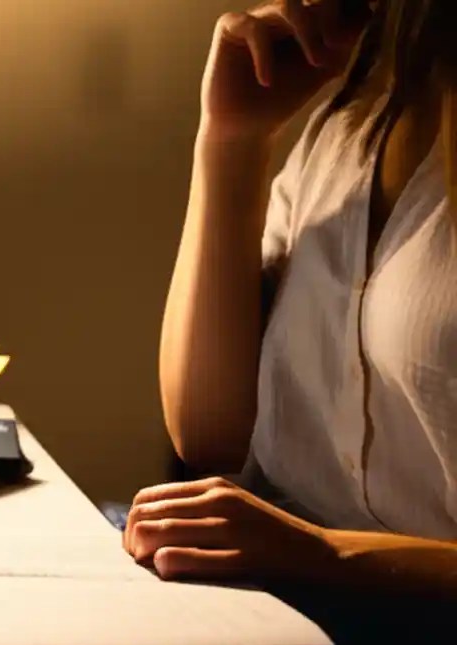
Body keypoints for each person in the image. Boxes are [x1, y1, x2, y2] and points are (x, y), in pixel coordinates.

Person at [124, 0, 457, 601]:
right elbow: (207, 435)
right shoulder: (344, 126)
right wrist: (231, 142)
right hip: (285, 602)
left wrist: (324, 553)